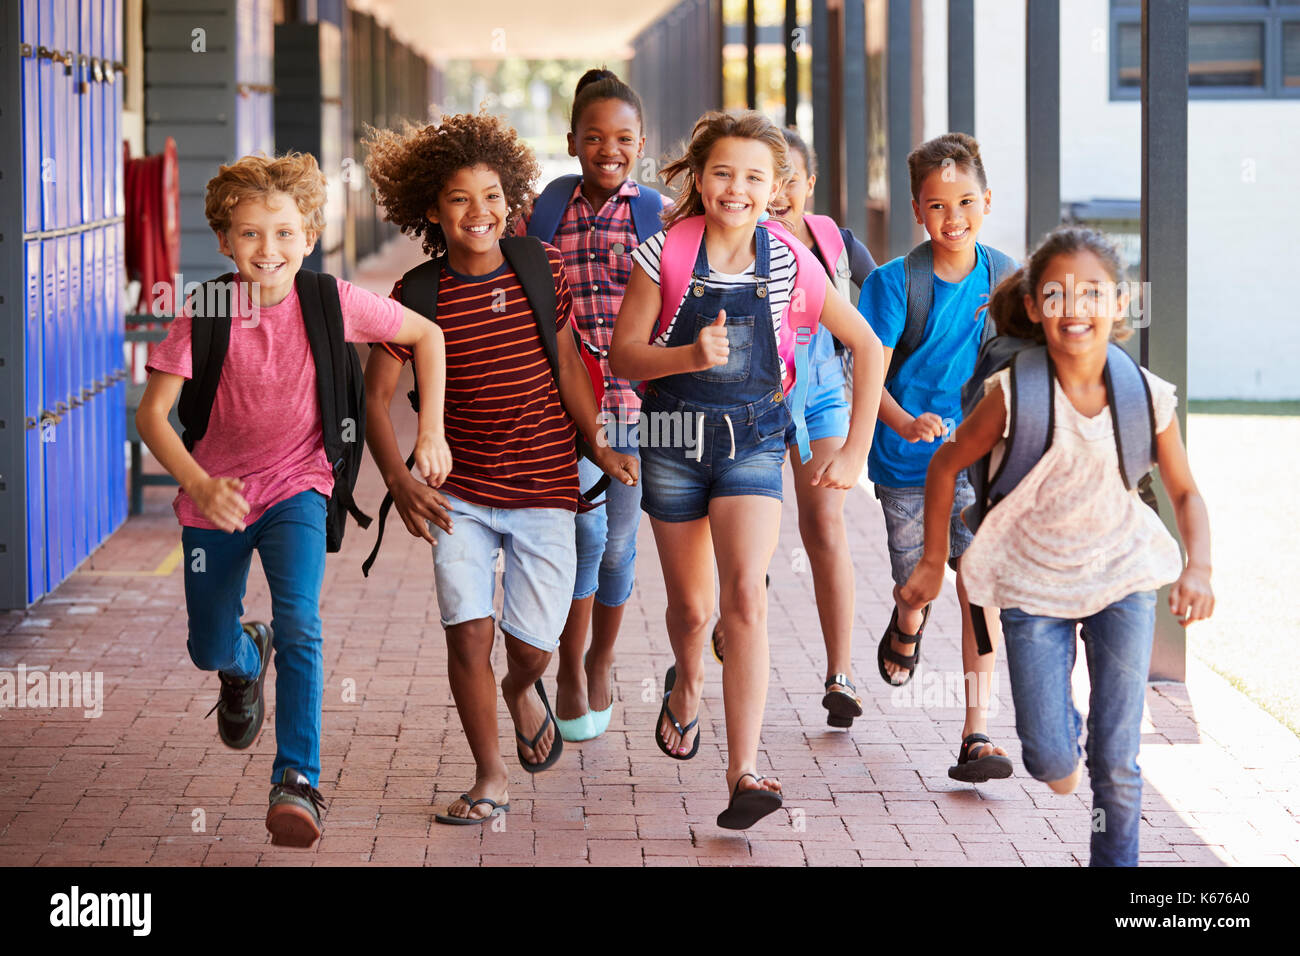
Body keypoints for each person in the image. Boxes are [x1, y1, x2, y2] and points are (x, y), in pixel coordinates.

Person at [135, 152, 450, 847]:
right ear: (223, 241)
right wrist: (198, 483)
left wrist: (431, 429)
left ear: (309, 235)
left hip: (299, 484)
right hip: (214, 496)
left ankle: (297, 779)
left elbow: (426, 335)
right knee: (206, 645)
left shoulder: (329, 300)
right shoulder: (209, 305)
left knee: (301, 621)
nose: (267, 249)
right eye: (249, 234)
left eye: (283, 233)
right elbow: (153, 415)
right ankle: (244, 657)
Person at [902, 225, 1214, 866]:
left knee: (1117, 761)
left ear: (1120, 303)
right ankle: (1060, 744)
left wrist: (1200, 567)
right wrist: (933, 561)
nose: (1076, 308)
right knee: (1049, 756)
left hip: (1122, 579)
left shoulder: (1145, 396)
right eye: (1058, 294)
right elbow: (944, 466)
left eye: (1093, 292)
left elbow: (1184, 492)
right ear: (1037, 306)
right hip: (1031, 583)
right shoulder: (1014, 392)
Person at [610, 109, 884, 829]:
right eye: (724, 173)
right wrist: (687, 358)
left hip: (756, 437)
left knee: (747, 600)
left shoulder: (791, 259)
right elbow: (624, 357)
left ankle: (744, 772)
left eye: (755, 177)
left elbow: (870, 344)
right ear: (699, 179)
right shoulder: (662, 254)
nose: (738, 188)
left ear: (777, 188)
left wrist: (855, 450)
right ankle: (687, 681)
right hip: (671, 437)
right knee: (695, 611)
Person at [362, 112, 636, 825]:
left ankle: (522, 688)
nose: (477, 212)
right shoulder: (418, 295)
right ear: (431, 208)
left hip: (545, 484)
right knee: (467, 632)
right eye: (459, 198)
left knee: (531, 649)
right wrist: (398, 479)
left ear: (510, 200)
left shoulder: (538, 268)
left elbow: (572, 363)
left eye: (490, 195)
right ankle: (489, 778)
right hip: (458, 492)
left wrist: (597, 444)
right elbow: (375, 396)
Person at [859, 132, 1017, 781]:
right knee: (918, 583)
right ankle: (904, 620)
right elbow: (864, 377)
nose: (953, 219)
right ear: (917, 211)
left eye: (965, 202)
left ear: (987, 200)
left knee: (978, 588)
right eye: (936, 207)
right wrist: (905, 420)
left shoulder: (1007, 277)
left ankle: (976, 733)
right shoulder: (895, 284)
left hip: (976, 463)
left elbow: (1020, 363)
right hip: (906, 466)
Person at [712, 126, 877, 729]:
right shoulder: (739, 239)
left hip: (822, 397)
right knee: (745, 527)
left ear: (807, 184)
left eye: (789, 180)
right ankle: (736, 609)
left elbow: (881, 309)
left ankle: (841, 672)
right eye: (764, 178)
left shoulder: (835, 242)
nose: (776, 192)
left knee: (825, 521)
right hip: (751, 399)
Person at [522, 68, 667, 742]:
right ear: (574, 140)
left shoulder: (659, 215)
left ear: (640, 142)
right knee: (583, 538)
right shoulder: (545, 211)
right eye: (595, 136)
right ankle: (572, 668)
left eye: (624, 137)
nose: (610, 147)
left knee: (618, 547)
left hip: (640, 411)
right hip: (572, 410)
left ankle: (604, 656)